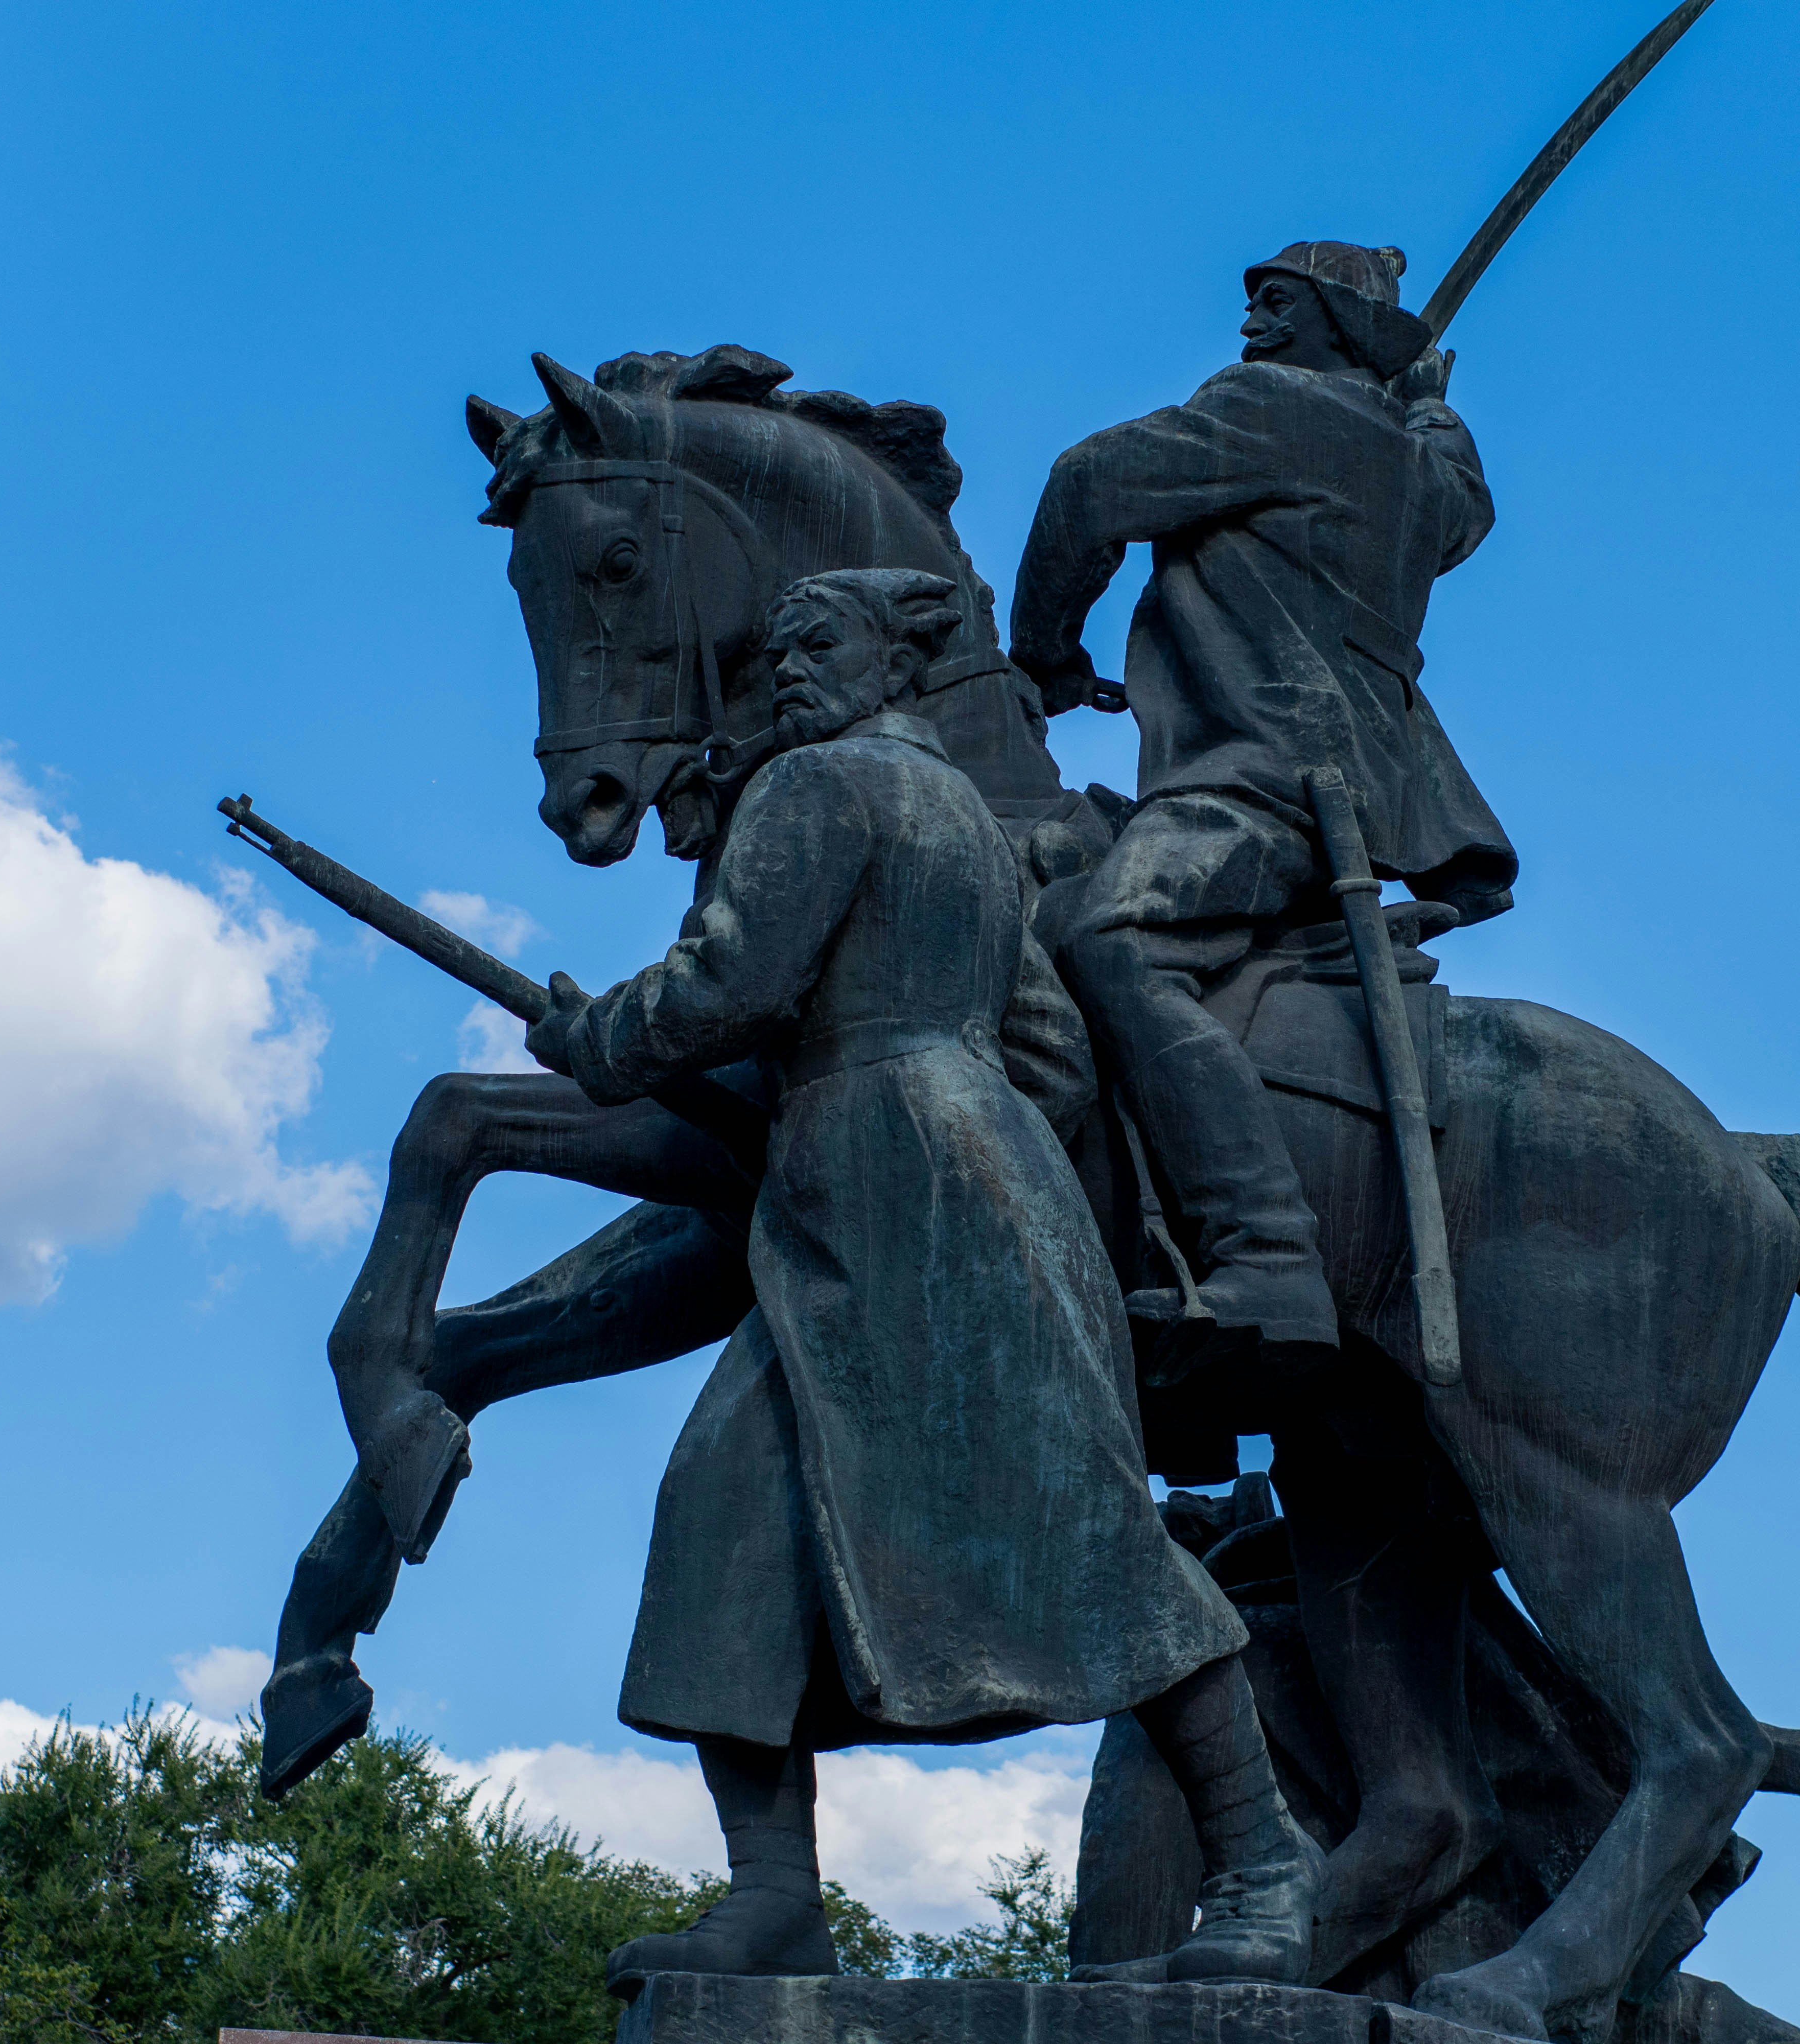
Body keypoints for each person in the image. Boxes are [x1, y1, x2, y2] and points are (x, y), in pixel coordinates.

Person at [531, 567, 1320, 1989]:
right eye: (775, 646)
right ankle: (774, 1896)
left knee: (1083, 1529)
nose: (786, 670)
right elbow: (1053, 1054)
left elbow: (726, 984)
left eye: (815, 642)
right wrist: (969, 1132)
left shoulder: (821, 785)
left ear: (894, 663)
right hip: (942, 1173)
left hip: (916, 1197)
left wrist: (600, 1043)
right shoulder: (963, 811)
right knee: (727, 1508)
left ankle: (1267, 1865)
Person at [1007, 241, 1515, 1374]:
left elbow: (1086, 485)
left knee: (1113, 939)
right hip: (1348, 786)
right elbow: (1461, 501)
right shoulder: (1423, 465)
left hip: (1259, 777)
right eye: (1250, 306)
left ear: (1334, 322)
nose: (1251, 327)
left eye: (1278, 305)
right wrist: (1429, 406)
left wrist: (1042, 653)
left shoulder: (1270, 408)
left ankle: (1268, 1243)